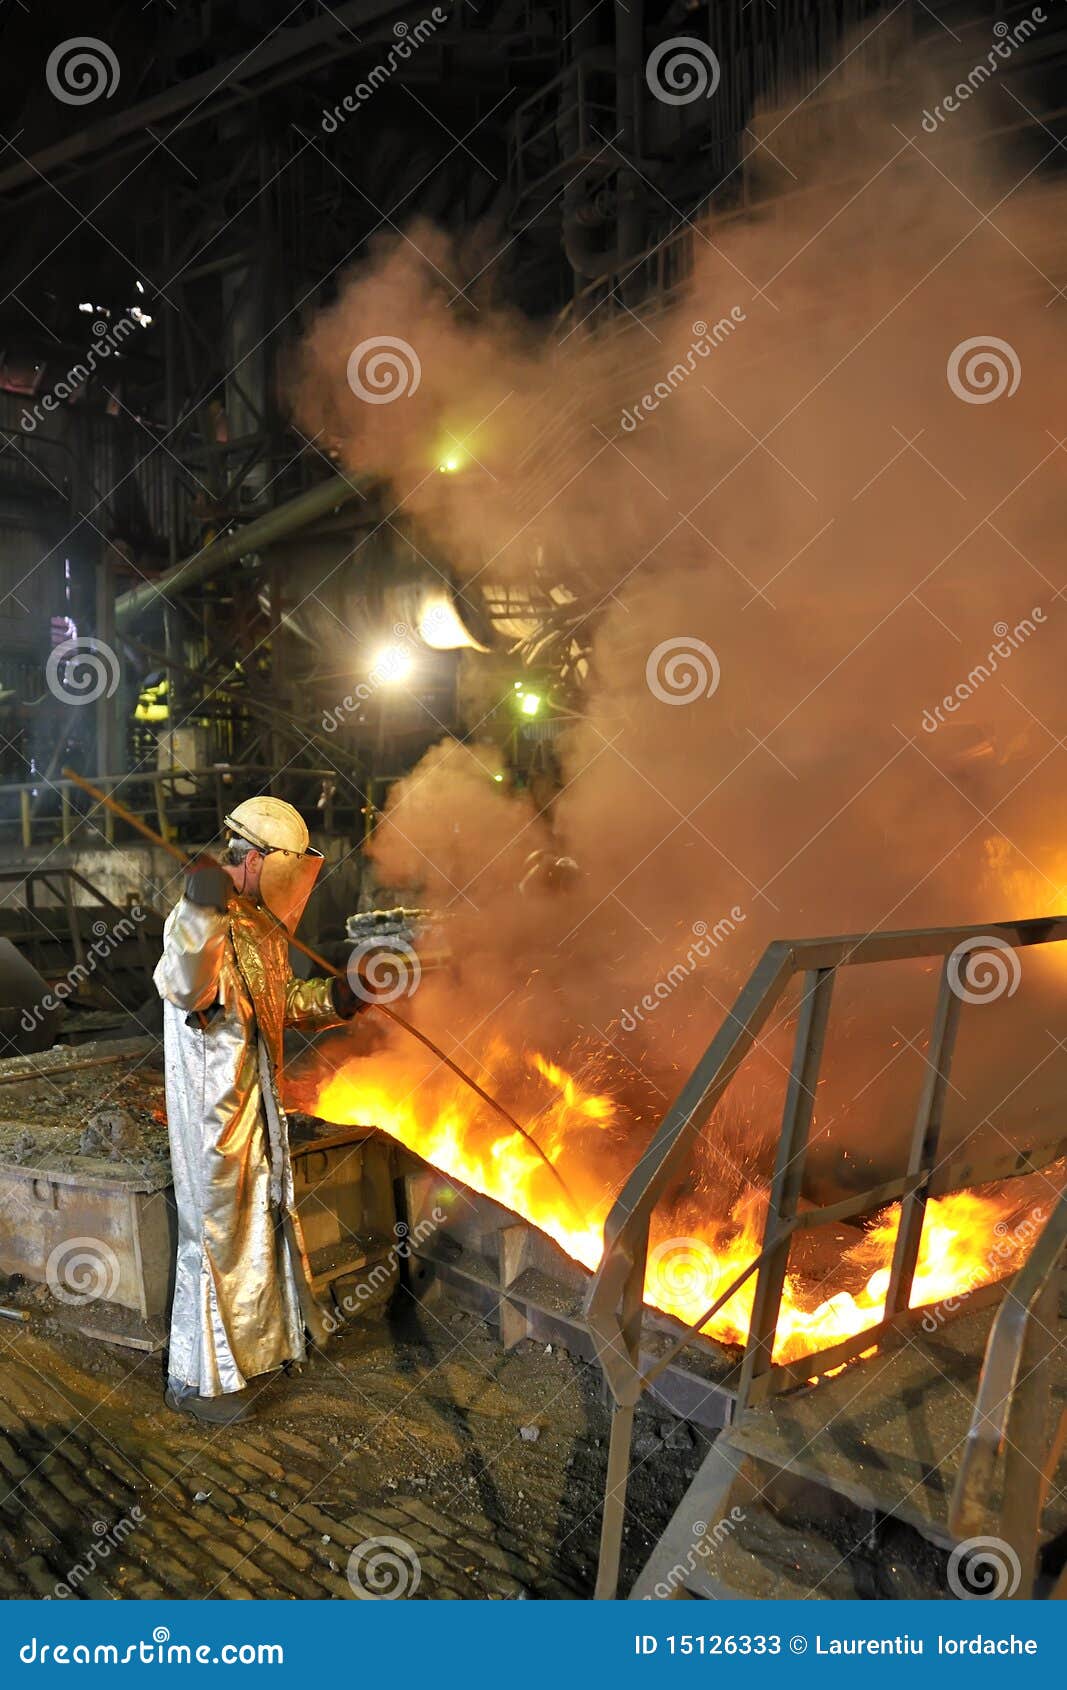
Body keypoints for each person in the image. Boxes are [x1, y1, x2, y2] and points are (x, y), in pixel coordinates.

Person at [154, 796, 365, 1424]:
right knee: (215, 1238)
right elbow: (186, 986)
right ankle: (200, 1384)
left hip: (257, 1106)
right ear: (260, 860)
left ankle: (259, 1354)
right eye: (290, 867)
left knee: (257, 1231)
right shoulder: (200, 918)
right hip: (213, 1116)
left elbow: (279, 1003)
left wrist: (340, 996)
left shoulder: (260, 927)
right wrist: (201, 909)